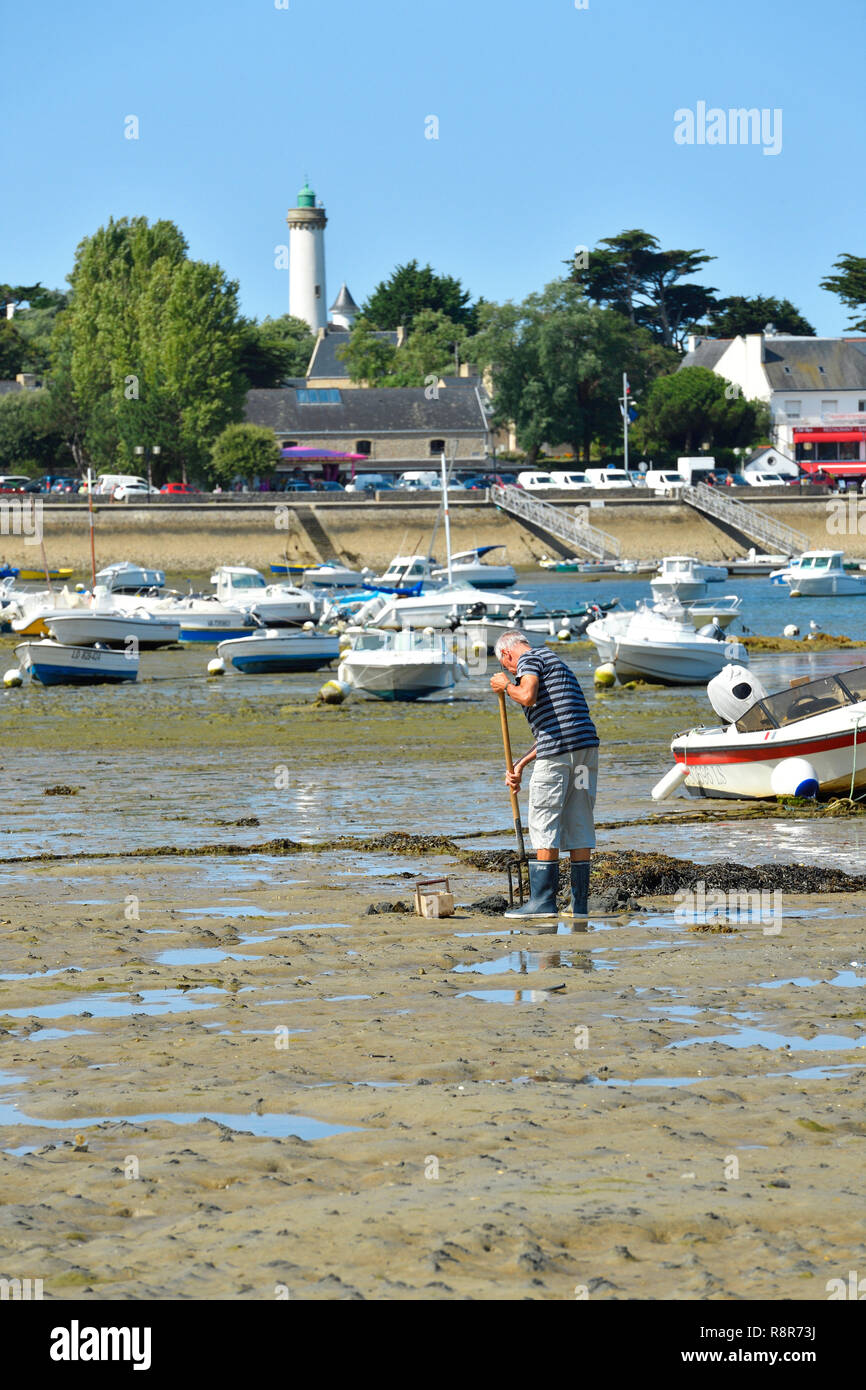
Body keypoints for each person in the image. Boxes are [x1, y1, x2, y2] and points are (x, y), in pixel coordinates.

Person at [489, 630, 599, 919]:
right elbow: (559, 727)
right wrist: (520, 765)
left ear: (506, 654)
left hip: (560, 755)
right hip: (585, 752)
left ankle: (543, 903)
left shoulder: (529, 659)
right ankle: (579, 906)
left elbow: (526, 695)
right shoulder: (556, 662)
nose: (510, 672)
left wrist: (506, 686)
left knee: (543, 819)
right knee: (579, 820)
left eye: (507, 667)